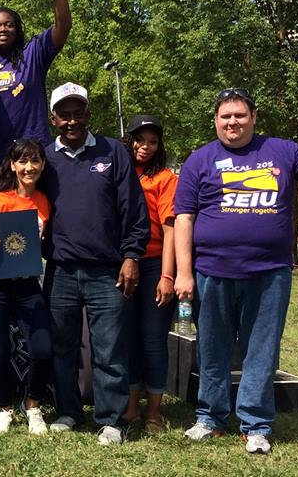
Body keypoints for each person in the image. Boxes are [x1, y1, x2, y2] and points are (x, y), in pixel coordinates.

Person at [175, 89, 298, 454]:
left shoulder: (283, 151)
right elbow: (184, 218)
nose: (233, 122)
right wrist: (184, 273)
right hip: (211, 272)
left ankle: (256, 424)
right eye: (225, 116)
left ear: (254, 117)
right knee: (212, 349)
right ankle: (210, 418)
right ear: (215, 121)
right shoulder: (200, 159)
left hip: (269, 273)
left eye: (240, 115)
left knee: (260, 350)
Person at [39, 82, 149, 445]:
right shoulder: (44, 158)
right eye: (64, 114)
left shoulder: (113, 152)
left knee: (109, 348)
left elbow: (134, 210)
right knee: (62, 347)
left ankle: (111, 420)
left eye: (77, 113)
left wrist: (132, 256)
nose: (71, 120)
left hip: (107, 269)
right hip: (60, 270)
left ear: (88, 114)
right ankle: (69, 411)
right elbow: (17, 193)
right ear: (54, 118)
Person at [0, 139, 53, 435]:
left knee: (42, 347)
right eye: (22, 162)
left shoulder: (44, 201)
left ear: (43, 164)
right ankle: (5, 407)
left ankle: (32, 405)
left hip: (26, 282)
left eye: (35, 161)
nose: (28, 167)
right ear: (13, 166)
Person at [0, 0, 71, 180]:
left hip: (35, 157)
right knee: (4, 216)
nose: (3, 29)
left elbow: (64, 26)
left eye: (9, 24)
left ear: (18, 29)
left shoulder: (34, 52)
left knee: (41, 214)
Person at [121, 115, 178, 432]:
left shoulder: (166, 179)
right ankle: (130, 406)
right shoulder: (121, 173)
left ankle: (154, 412)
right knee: (127, 338)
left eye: (153, 141)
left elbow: (170, 229)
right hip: (124, 264)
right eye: (140, 139)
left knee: (153, 340)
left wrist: (167, 276)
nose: (146, 146)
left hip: (156, 263)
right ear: (128, 140)